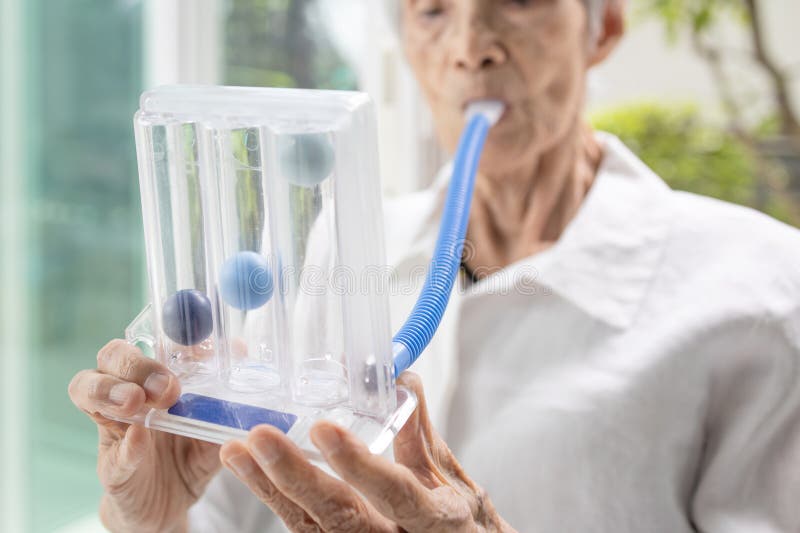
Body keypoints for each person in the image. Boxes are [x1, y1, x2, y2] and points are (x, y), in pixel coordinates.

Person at [68, 0, 800, 531]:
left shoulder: (761, 289)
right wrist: (154, 516)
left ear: (601, 25)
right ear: (409, 50)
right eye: (432, 11)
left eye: (517, 2)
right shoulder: (343, 241)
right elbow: (238, 510)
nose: (472, 44)